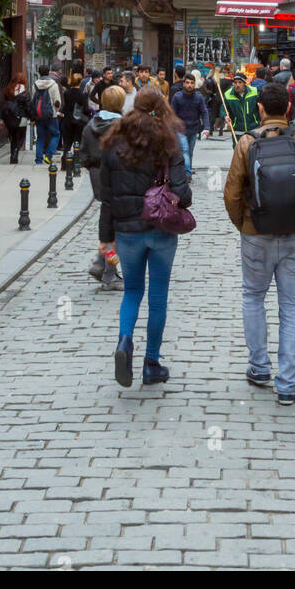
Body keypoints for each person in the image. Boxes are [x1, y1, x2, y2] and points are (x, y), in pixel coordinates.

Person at [223, 82, 295, 406]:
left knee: (253, 297)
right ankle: (287, 385)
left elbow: (231, 195)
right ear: (287, 108)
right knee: (292, 307)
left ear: (259, 108)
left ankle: (258, 368)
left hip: (255, 234)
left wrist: (244, 224)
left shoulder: (246, 143)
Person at [100, 88, 193, 387]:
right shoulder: (170, 141)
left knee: (131, 291)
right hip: (162, 229)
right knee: (158, 298)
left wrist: (106, 237)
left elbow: (107, 198)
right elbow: (182, 193)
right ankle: (151, 363)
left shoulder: (113, 142)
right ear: (161, 108)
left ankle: (124, 342)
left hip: (127, 231)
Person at [80, 84, 126, 292]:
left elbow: (83, 156)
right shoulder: (124, 126)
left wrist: (94, 168)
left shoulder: (90, 125)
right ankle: (108, 271)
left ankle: (102, 263)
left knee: (108, 223)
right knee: (116, 230)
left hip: (99, 181)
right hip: (120, 180)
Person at [171, 74, 209, 171]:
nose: (189, 85)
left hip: (193, 129)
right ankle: (187, 173)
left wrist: (207, 128)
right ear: (183, 84)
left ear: (194, 84)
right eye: (187, 83)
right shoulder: (177, 97)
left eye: (192, 83)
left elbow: (204, 112)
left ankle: (187, 170)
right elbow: (172, 114)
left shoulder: (198, 97)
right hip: (181, 130)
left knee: (189, 152)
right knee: (185, 151)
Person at [32, 64, 63, 165]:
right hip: (51, 115)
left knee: (40, 138)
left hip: (39, 115)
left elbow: (33, 100)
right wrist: (56, 110)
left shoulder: (35, 85)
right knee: (56, 134)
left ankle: (38, 160)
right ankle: (49, 155)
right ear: (48, 72)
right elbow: (57, 101)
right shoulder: (53, 84)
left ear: (39, 72)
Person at [0, 72, 30, 164]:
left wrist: (2, 120)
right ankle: (15, 152)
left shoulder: (7, 90)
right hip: (22, 117)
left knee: (13, 137)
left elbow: (3, 106)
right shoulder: (25, 92)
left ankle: (13, 156)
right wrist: (32, 118)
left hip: (9, 117)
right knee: (21, 137)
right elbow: (28, 107)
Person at [223, 73, 260, 145]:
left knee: (253, 151)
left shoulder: (254, 91)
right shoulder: (228, 94)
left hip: (253, 128)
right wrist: (225, 116)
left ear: (244, 83)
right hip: (237, 129)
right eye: (235, 82)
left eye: (240, 82)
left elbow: (261, 106)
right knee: (238, 152)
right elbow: (223, 107)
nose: (237, 85)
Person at [60, 71, 88, 157]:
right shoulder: (82, 95)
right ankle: (76, 162)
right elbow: (86, 109)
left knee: (67, 144)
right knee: (77, 143)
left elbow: (65, 106)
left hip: (67, 120)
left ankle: (64, 162)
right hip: (78, 121)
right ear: (80, 81)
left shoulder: (67, 93)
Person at [201, 67, 226, 138]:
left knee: (213, 115)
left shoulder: (211, 80)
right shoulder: (222, 79)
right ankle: (220, 131)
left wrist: (211, 94)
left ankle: (211, 130)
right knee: (221, 115)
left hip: (215, 99)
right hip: (221, 98)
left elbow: (207, 89)